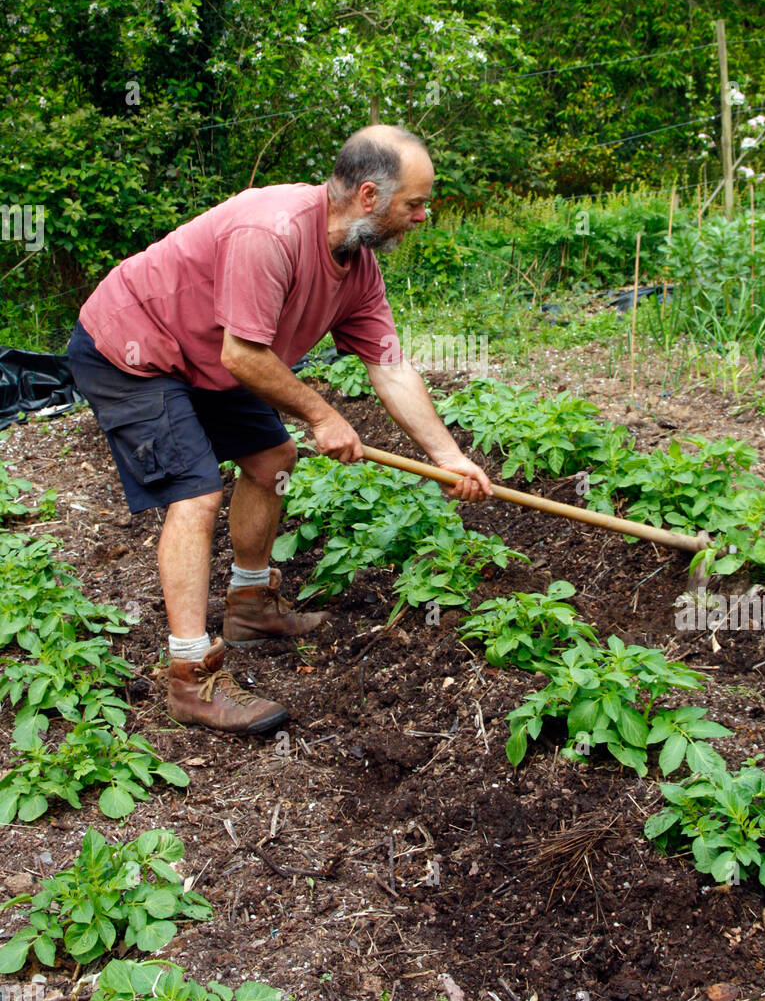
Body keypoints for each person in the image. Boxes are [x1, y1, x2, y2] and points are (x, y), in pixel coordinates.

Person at [66, 125, 491, 734]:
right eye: (415, 203)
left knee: (272, 459)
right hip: (134, 350)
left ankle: (248, 607)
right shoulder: (272, 232)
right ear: (369, 196)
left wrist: (448, 456)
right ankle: (190, 676)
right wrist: (323, 413)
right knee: (194, 492)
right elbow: (244, 356)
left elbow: (389, 365)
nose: (422, 216)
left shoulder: (357, 266)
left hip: (209, 359)